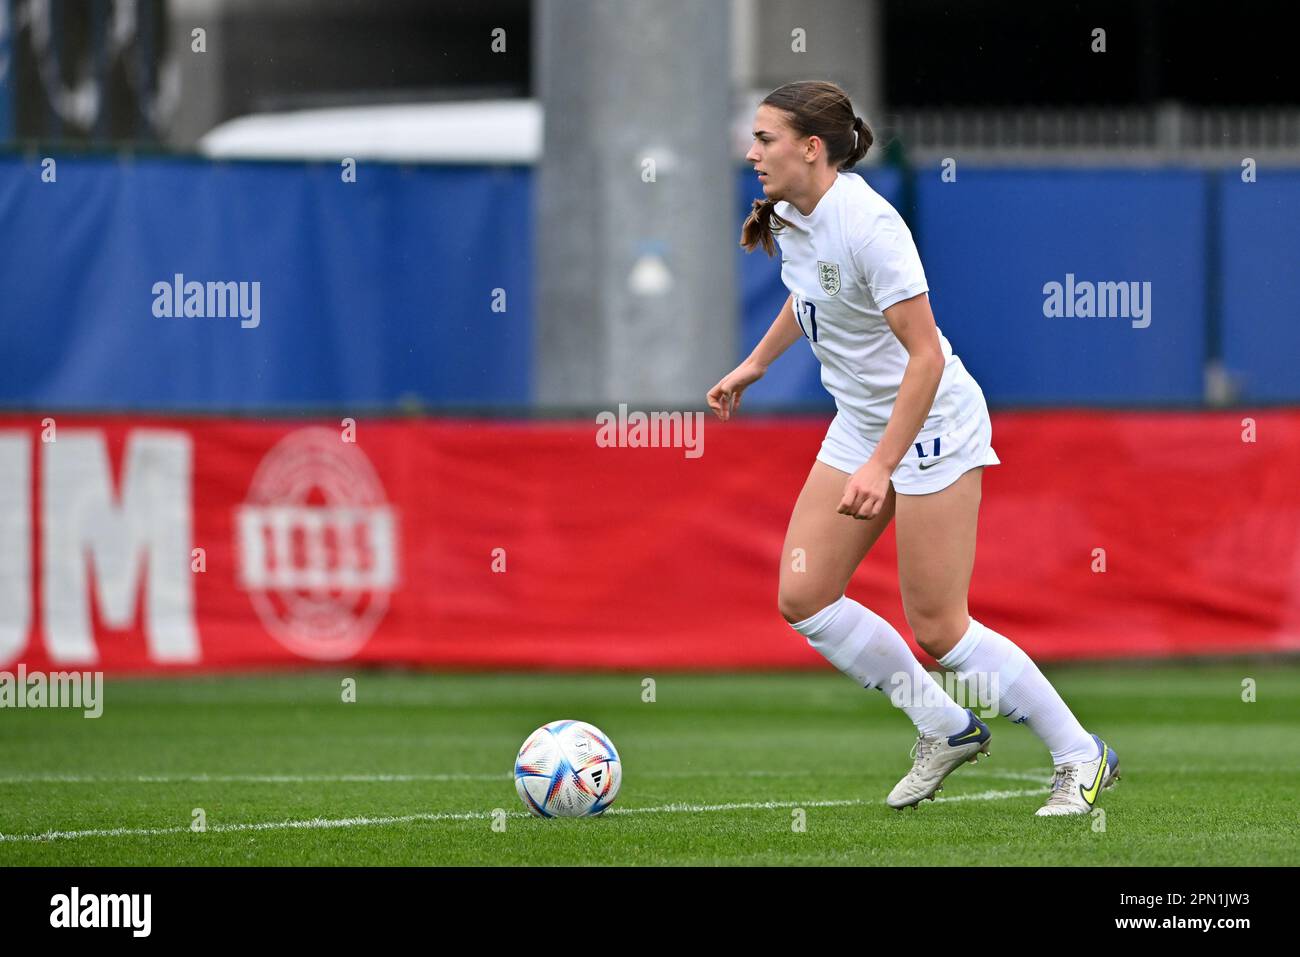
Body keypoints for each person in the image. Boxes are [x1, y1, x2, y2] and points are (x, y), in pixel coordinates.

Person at [707, 80, 1119, 815]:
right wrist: (756, 363)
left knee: (940, 627)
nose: (752, 152)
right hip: (863, 422)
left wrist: (881, 464)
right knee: (804, 596)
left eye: (765, 139)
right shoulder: (793, 213)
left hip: (931, 424)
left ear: (811, 148)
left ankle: (1081, 754)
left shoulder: (870, 225)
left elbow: (924, 358)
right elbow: (813, 295)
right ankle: (945, 725)